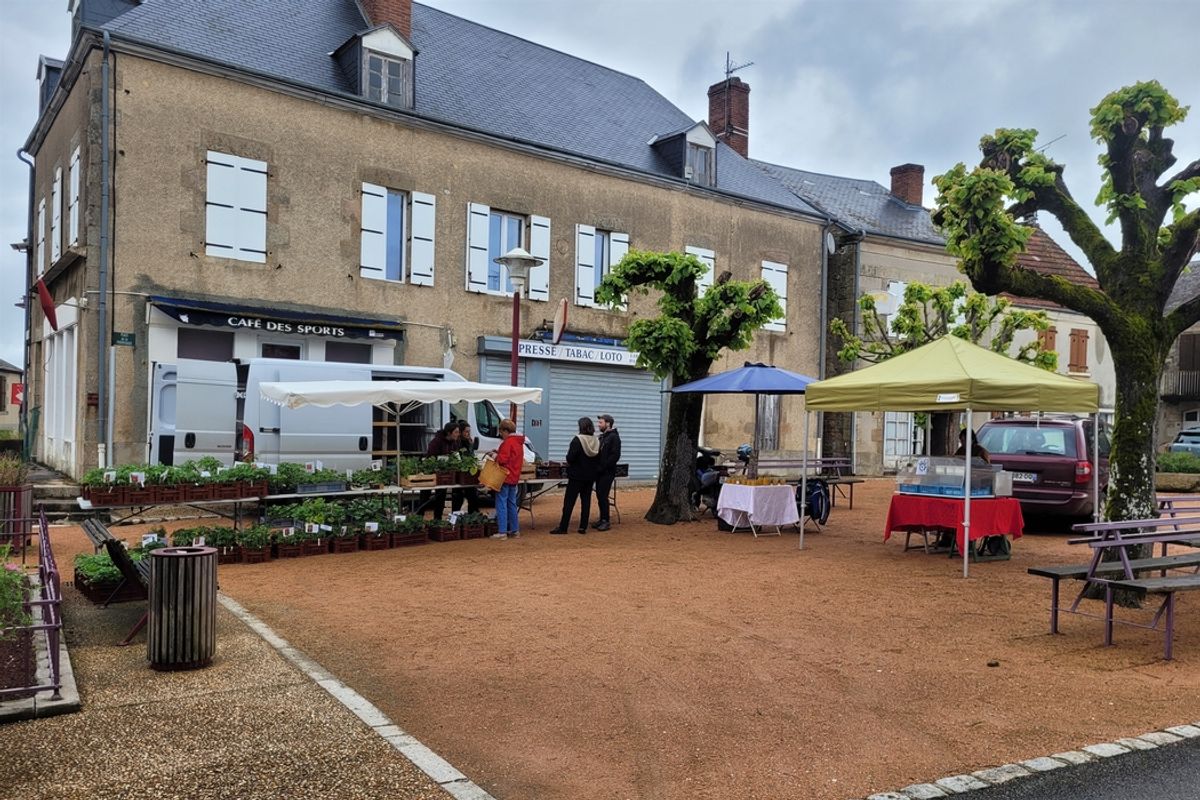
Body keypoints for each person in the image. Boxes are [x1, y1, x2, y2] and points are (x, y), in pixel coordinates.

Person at [549, 417, 601, 535]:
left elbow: (570, 457)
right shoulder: (596, 441)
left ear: (580, 427)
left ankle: (563, 527)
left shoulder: (577, 440)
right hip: (590, 476)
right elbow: (598, 458)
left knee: (569, 502)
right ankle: (583, 527)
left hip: (576, 475)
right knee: (586, 501)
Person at [492, 418, 524, 539]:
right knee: (511, 503)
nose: (501, 435)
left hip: (504, 477)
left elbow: (502, 460)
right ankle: (515, 530)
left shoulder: (507, 443)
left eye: (501, 432)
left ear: (505, 431)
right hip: (514, 477)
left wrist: (495, 455)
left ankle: (502, 532)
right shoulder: (518, 442)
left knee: (501, 503)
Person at [423, 421, 460, 520]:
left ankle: (437, 519)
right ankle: (419, 518)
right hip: (431, 474)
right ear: (449, 433)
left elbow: (456, 456)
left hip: (445, 475)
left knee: (441, 497)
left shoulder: (454, 442)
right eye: (456, 432)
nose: (458, 434)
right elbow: (431, 458)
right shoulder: (436, 442)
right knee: (424, 497)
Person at [593, 414, 622, 531]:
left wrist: (603, 466)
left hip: (607, 472)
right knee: (600, 495)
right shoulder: (603, 437)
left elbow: (615, 455)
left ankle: (606, 521)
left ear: (608, 424)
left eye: (601, 423)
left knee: (602, 495)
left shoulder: (614, 437)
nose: (598, 425)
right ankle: (602, 519)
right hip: (600, 471)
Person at [455, 420, 480, 514]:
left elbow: (472, 456)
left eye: (469, 431)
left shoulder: (469, 442)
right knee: (458, 498)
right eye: (466, 431)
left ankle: (473, 517)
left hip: (469, 475)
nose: (468, 433)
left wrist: (471, 445)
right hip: (460, 475)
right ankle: (456, 518)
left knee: (473, 497)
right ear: (460, 432)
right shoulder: (458, 443)